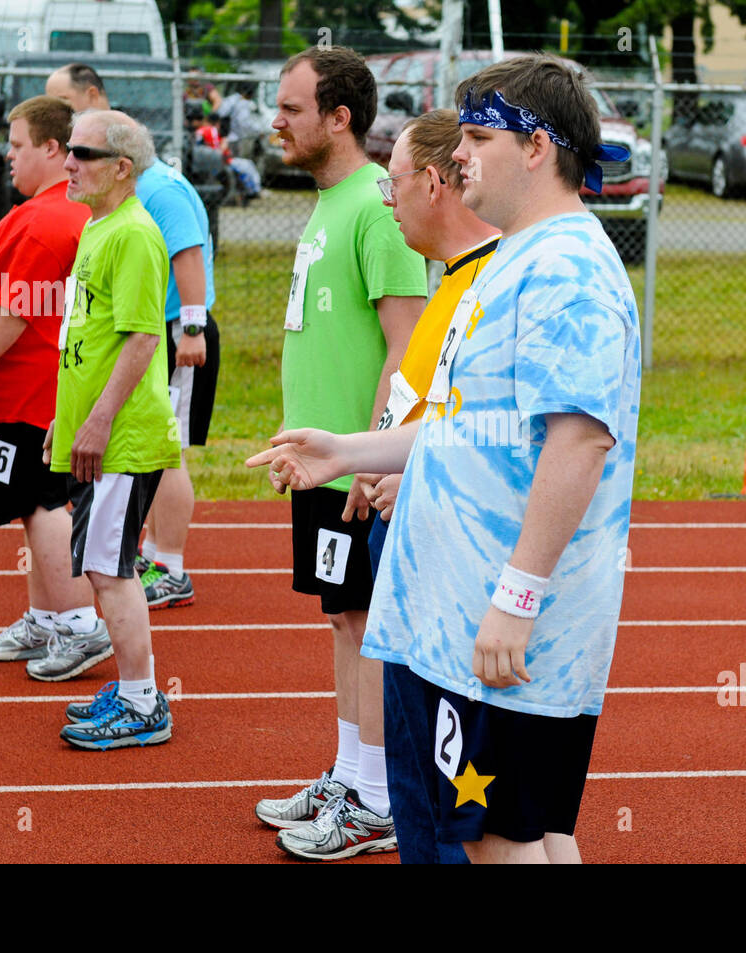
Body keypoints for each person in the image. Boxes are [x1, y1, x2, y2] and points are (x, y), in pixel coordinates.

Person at [250, 53, 642, 865]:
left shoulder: (566, 267)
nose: (456, 154)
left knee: (499, 841)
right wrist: (345, 449)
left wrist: (517, 595)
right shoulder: (515, 260)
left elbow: (581, 439)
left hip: (496, 624)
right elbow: (467, 426)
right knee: (521, 832)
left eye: (475, 134)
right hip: (461, 616)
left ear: (535, 147)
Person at [250, 45, 427, 861]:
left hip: (356, 462)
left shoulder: (374, 206)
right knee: (342, 615)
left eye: (291, 108)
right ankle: (351, 774)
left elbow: (406, 341)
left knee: (365, 619)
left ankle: (378, 797)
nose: (275, 121)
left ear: (339, 117)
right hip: (322, 460)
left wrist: (372, 458)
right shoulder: (330, 201)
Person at [367, 108, 501, 864]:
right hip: (409, 533)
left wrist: (407, 473)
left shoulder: (493, 281)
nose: (388, 199)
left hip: (450, 557)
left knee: (458, 793)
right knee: (413, 771)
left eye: (393, 180)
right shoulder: (448, 279)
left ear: (430, 180)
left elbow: (492, 432)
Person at [46, 63, 221, 612]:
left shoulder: (156, 191)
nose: (69, 151)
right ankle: (147, 554)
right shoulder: (115, 200)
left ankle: (169, 563)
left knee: (164, 452)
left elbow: (187, 255)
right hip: (149, 328)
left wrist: (190, 329)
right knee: (157, 454)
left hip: (171, 331)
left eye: (70, 109)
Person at [0, 95, 108, 676]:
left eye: (17, 146)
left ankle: (77, 625)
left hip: (23, 391)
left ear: (50, 148)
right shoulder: (50, 210)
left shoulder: (47, 218)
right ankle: (47, 619)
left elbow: (17, 308)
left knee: (40, 501)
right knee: (32, 501)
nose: (7, 157)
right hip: (28, 389)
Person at [44, 109, 180, 749]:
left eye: (83, 153)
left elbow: (140, 340)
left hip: (122, 440)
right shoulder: (98, 228)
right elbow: (86, 338)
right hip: (100, 433)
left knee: (109, 569)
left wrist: (96, 423)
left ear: (121, 168)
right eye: (69, 150)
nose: (68, 162)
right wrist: (61, 419)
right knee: (103, 566)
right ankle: (134, 691)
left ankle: (143, 703)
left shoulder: (132, 234)